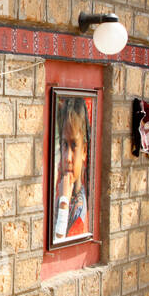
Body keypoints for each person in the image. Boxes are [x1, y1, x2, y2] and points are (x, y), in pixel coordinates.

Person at [53, 98, 90, 241]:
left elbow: (59, 246)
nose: (68, 157)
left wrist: (63, 203)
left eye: (74, 145)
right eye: (64, 145)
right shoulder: (60, 187)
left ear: (84, 151)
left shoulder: (78, 211)